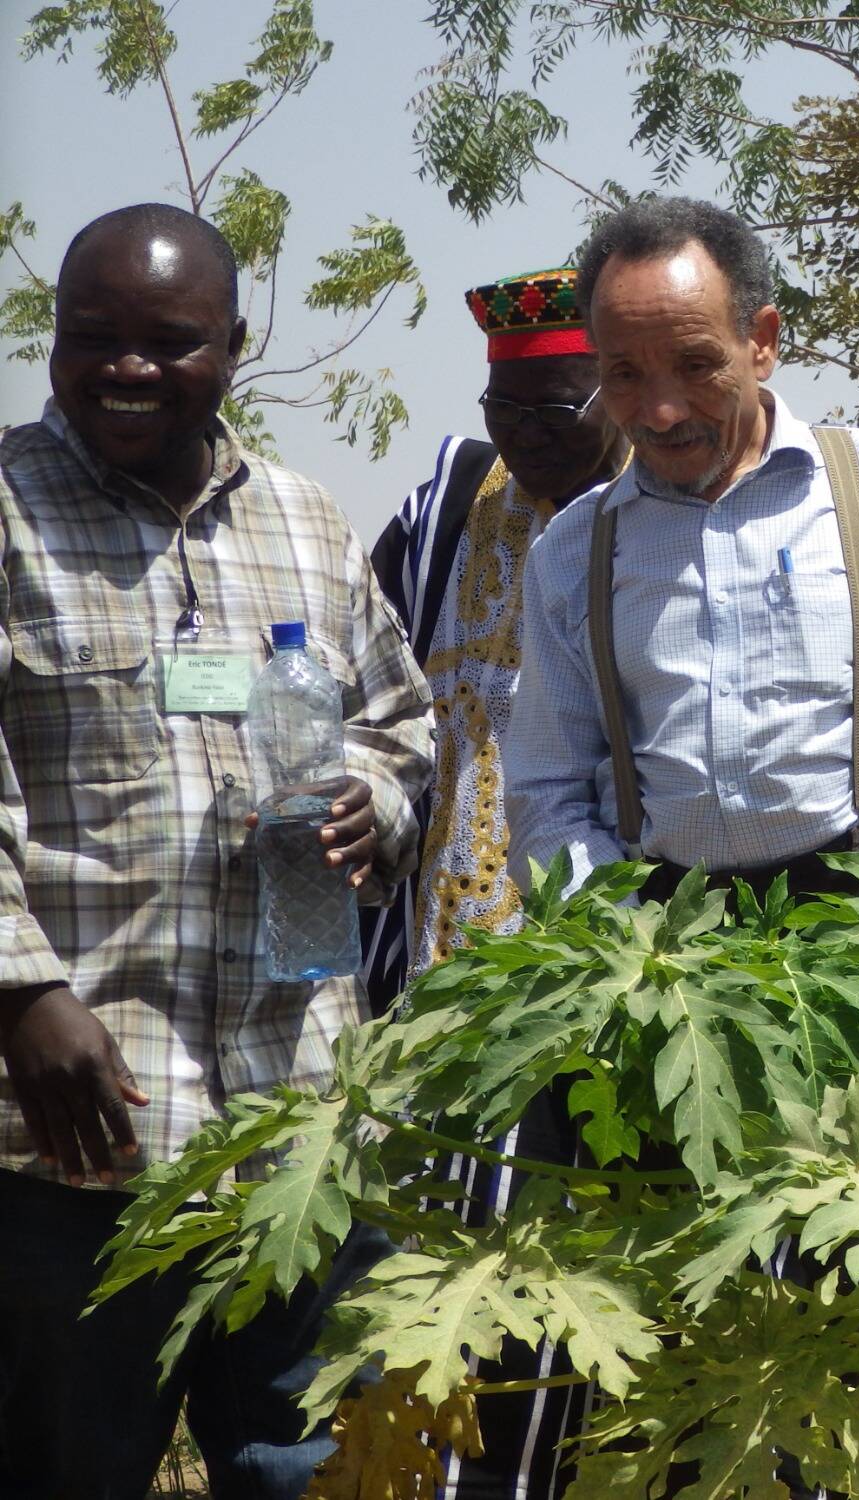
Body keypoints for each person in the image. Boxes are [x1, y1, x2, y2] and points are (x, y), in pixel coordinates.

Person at [0, 204, 433, 1497]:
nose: (125, 368)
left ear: (237, 346)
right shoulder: (8, 515)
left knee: (306, 1472)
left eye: (167, 342)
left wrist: (375, 800)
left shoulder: (304, 521)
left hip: (297, 1122)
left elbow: (402, 723)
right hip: (79, 1136)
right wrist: (18, 988)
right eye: (92, 339)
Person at [504, 194, 859, 922]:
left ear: (763, 341)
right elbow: (545, 795)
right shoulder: (573, 553)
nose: (662, 411)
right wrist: (627, 946)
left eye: (695, 364)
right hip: (667, 945)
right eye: (624, 376)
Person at [360, 265, 631, 1497]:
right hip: (448, 957)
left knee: (586, 1264)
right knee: (448, 1265)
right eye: (504, 410)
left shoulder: (661, 519)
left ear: (615, 401)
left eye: (555, 411)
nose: (524, 438)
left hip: (604, 962)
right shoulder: (446, 517)